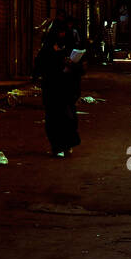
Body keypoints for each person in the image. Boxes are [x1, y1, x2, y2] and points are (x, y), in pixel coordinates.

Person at [32, 19, 85, 158]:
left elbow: (80, 69)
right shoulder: (47, 49)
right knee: (54, 118)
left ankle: (67, 144)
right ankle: (57, 146)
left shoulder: (69, 46)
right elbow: (40, 67)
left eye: (63, 32)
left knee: (68, 118)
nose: (61, 35)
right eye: (59, 31)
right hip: (52, 88)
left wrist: (71, 65)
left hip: (67, 89)